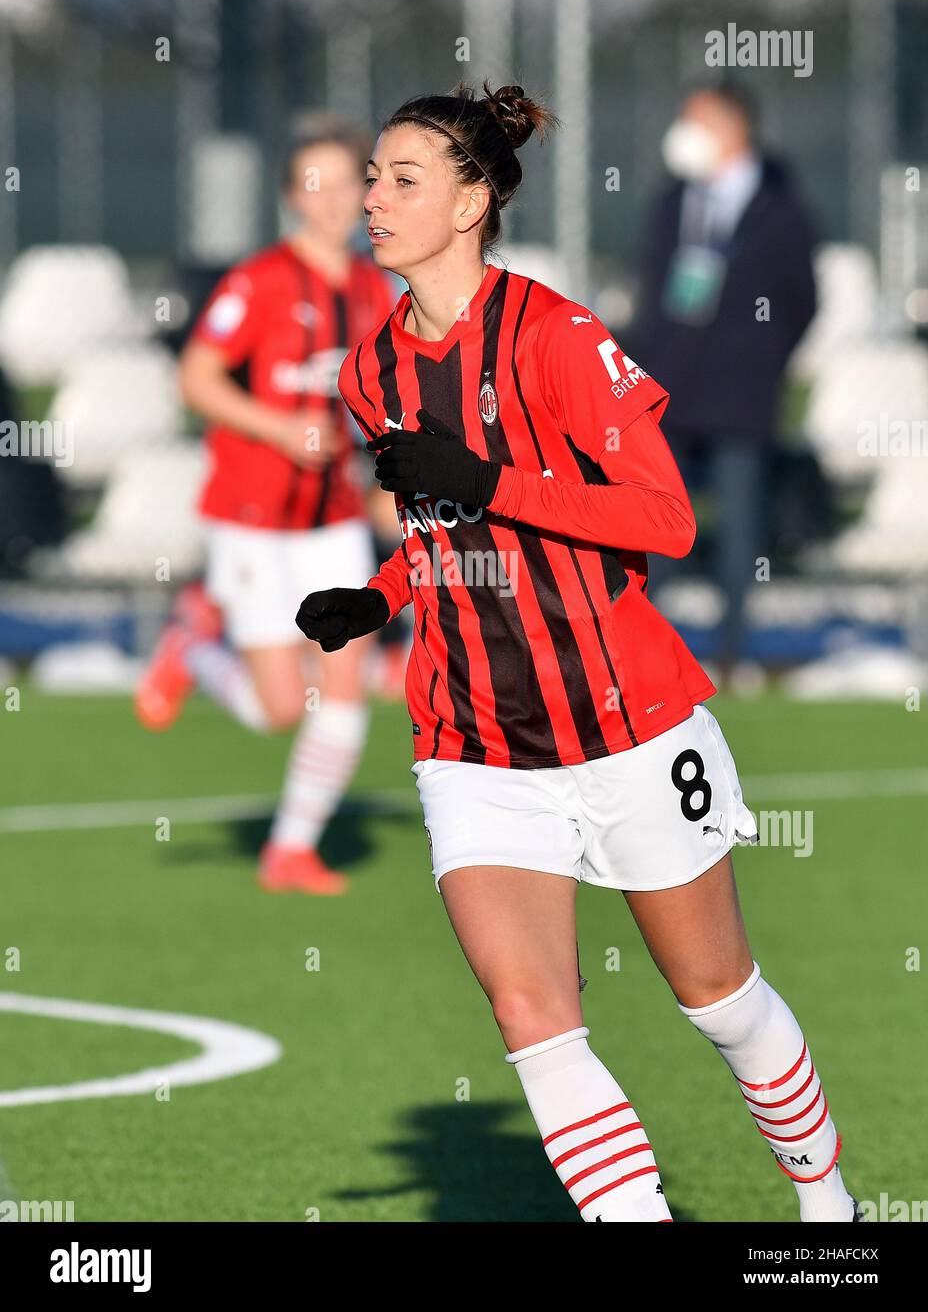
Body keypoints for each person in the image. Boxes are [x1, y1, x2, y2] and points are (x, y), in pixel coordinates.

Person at [295, 80, 861, 1222]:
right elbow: (442, 533)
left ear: (472, 203)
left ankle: (830, 1206)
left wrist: (488, 478)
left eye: (404, 179)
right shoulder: (372, 370)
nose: (374, 198)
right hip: (473, 741)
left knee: (718, 998)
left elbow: (666, 521)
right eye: (372, 177)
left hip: (628, 724)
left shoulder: (554, 336)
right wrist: (378, 591)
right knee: (529, 1014)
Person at [135, 114, 395, 895]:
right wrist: (277, 425)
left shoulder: (374, 289)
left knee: (347, 684)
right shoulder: (258, 280)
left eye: (349, 181)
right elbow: (196, 380)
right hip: (250, 516)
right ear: (291, 196)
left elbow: (382, 403)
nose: (334, 198)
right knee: (277, 708)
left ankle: (290, 849)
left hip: (332, 523)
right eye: (316, 182)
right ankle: (192, 641)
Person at [635, 81, 817, 679]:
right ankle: (640, 650)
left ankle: (732, 653)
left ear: (731, 127)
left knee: (740, 527)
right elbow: (655, 292)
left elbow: (801, 298)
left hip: (742, 394)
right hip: (670, 390)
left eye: (696, 121)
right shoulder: (672, 201)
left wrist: (763, 357)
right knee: (653, 522)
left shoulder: (780, 205)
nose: (682, 134)